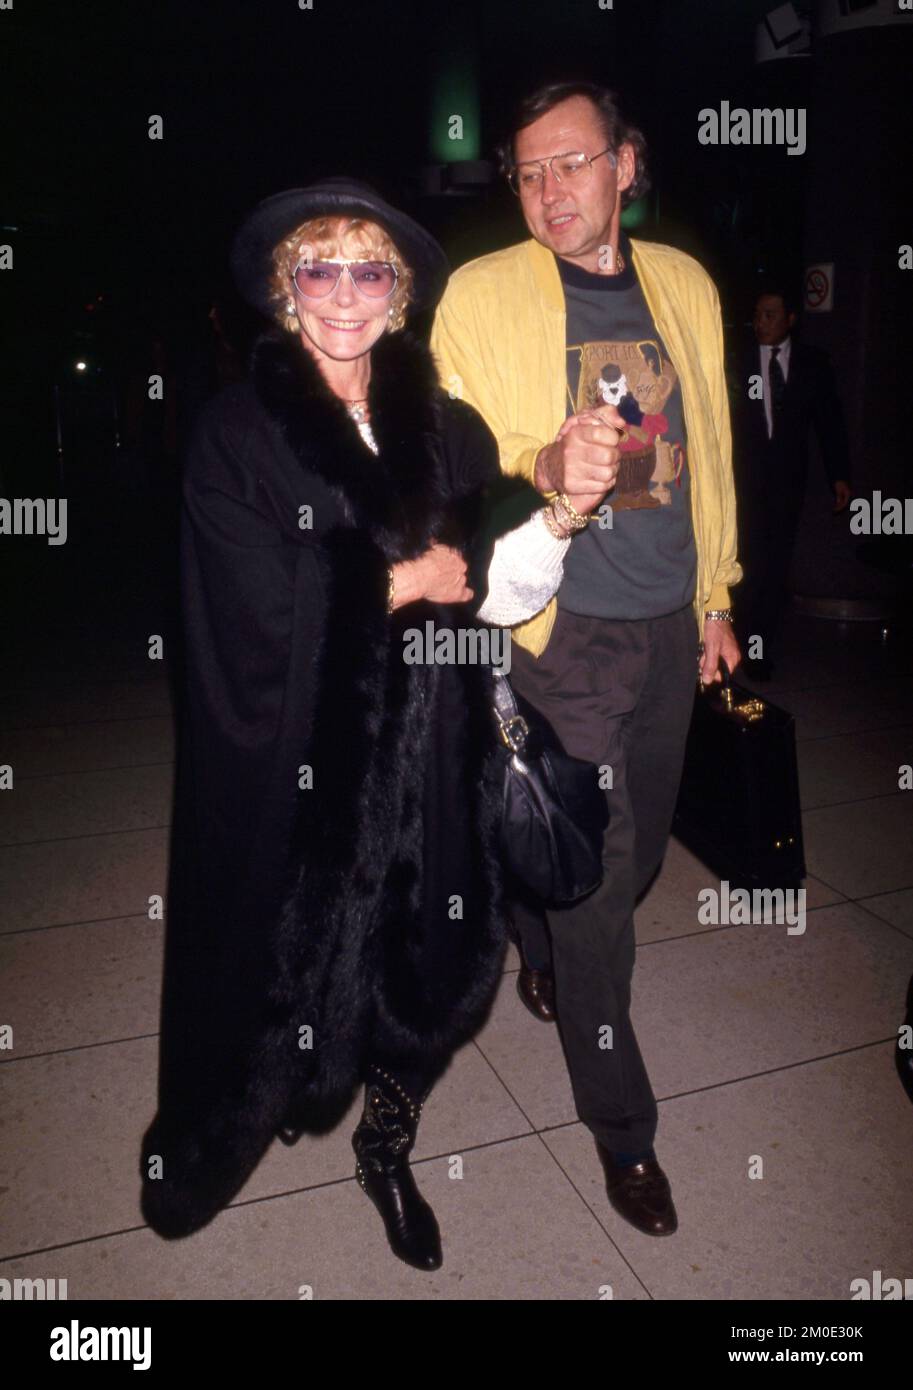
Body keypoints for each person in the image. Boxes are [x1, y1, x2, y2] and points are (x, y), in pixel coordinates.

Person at [138, 178, 591, 1272]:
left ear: (399, 298)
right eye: (321, 267)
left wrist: (563, 510)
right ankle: (226, 1130)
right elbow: (239, 608)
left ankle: (386, 1143)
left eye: (369, 268)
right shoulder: (237, 434)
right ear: (287, 294)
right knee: (273, 961)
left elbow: (496, 584)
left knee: (426, 967)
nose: (346, 291)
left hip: (434, 757)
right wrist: (389, 585)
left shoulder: (451, 429)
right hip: (302, 770)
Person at [432, 80, 742, 1237]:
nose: (548, 191)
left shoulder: (688, 287)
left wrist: (716, 595)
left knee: (638, 847)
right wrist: (545, 455)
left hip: (666, 622)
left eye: (571, 163)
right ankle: (625, 1131)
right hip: (560, 634)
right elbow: (460, 475)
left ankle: (535, 913)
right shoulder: (481, 294)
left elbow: (706, 449)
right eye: (527, 171)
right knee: (604, 887)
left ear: (625, 162)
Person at [731, 288, 852, 678]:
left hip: (786, 485)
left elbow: (829, 423)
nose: (760, 323)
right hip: (743, 484)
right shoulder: (739, 361)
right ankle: (735, 638)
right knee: (746, 564)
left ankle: (758, 648)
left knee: (774, 566)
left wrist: (839, 475)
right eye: (757, 315)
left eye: (769, 315)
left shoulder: (812, 365)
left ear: (790, 319)